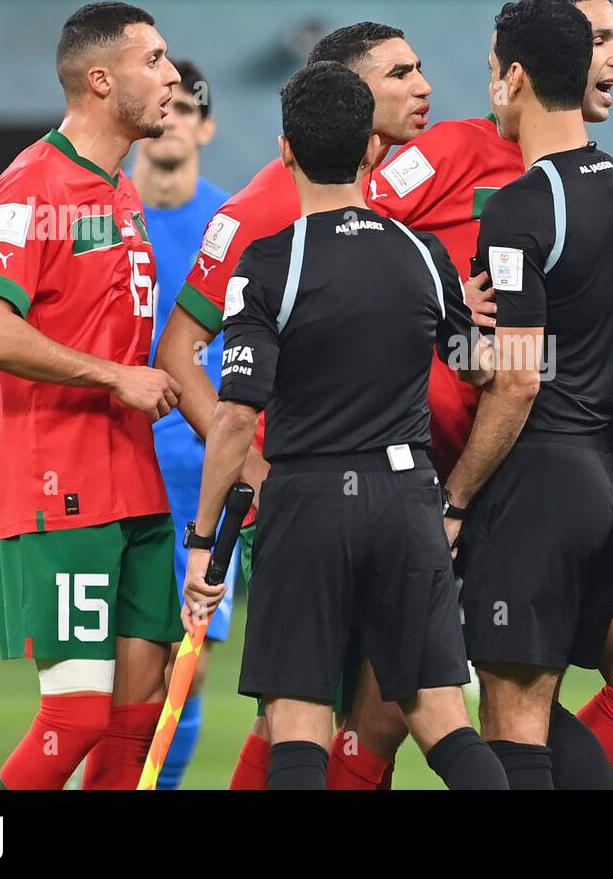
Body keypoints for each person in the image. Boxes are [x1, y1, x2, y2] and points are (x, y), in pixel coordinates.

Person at [180, 60, 507, 790]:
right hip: (407, 501)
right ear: (372, 149)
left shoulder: (266, 265)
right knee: (443, 719)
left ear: (286, 150)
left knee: (298, 723)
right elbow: (478, 365)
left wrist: (204, 541)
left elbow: (235, 416)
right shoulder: (424, 255)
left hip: (308, 501)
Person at [153, 21, 436, 789]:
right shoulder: (257, 212)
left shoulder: (412, 182)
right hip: (311, 491)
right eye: (399, 73)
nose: (422, 86)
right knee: (313, 712)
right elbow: (179, 351)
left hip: (405, 485)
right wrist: (249, 458)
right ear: (345, 92)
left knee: (362, 715)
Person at [441, 0, 613, 790]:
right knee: (539, 712)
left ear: (513, 75)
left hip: (539, 481)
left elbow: (516, 373)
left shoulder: (519, 207)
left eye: (490, 71)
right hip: (610, 483)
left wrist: (458, 497)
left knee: (511, 719)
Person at [0, 1, 184, 789]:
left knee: (138, 710)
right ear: (99, 79)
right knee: (78, 716)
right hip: (59, 485)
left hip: (133, 480)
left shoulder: (119, 193)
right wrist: (113, 376)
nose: (173, 77)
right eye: (153, 60)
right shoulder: (33, 183)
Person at [131, 58, 232, 788]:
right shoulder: (102, 216)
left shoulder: (234, 223)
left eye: (188, 107)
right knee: (112, 670)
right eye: (163, 106)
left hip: (206, 476)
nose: (174, 119)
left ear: (208, 125)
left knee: (185, 666)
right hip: (116, 464)